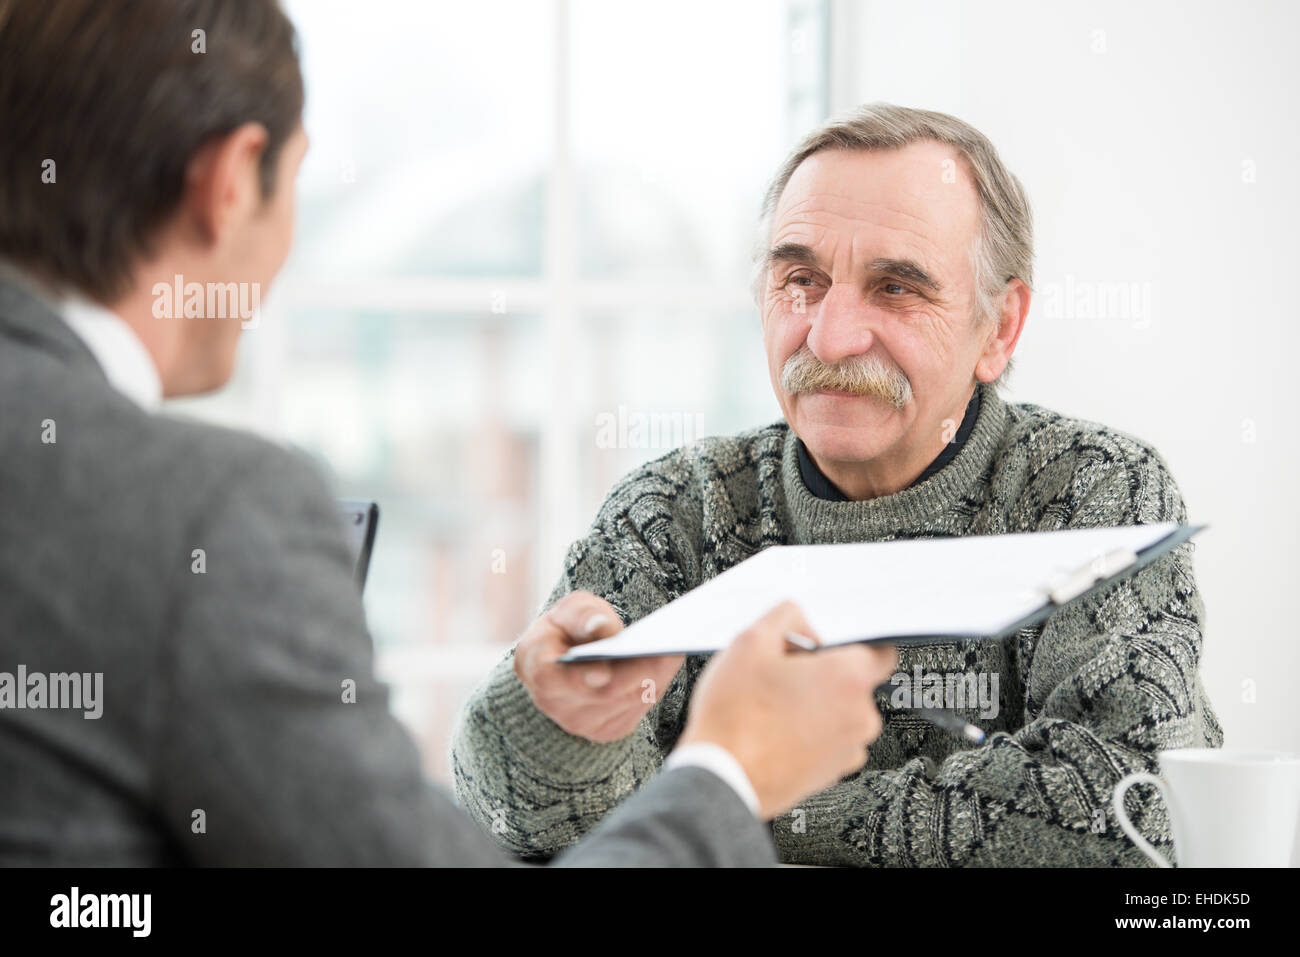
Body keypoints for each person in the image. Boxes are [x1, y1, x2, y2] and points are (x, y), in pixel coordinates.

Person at [0, 0, 897, 867]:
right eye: (298, 180)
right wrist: (732, 770)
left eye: (896, 287)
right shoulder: (208, 517)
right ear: (229, 181)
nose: (832, 331)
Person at [452, 103, 1225, 866]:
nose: (828, 335)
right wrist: (560, 720)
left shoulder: (1095, 492)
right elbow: (523, 821)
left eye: (896, 288)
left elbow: (1131, 806)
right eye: (800, 279)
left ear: (999, 329)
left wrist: (725, 797)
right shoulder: (674, 510)